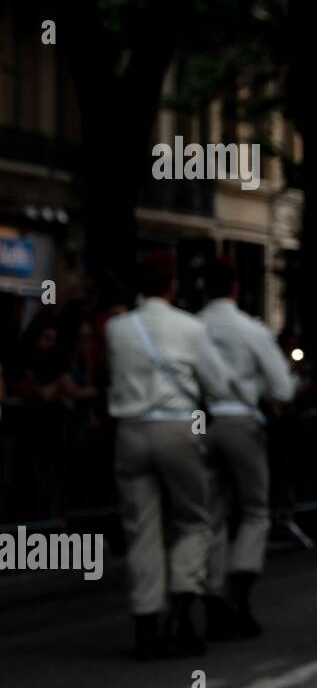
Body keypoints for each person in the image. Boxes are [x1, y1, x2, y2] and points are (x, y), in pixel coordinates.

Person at [106, 250, 231, 659]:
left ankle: (146, 622)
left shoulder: (117, 329)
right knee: (194, 520)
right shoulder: (190, 328)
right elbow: (218, 383)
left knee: (142, 528)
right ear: (173, 285)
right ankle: (182, 606)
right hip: (177, 424)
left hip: (130, 429)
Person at [198, 260, 295, 639]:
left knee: (211, 512)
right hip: (241, 420)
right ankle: (240, 583)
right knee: (255, 510)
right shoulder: (250, 330)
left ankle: (211, 587)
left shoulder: (193, 326)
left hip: (201, 421)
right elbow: (282, 388)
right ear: (236, 289)